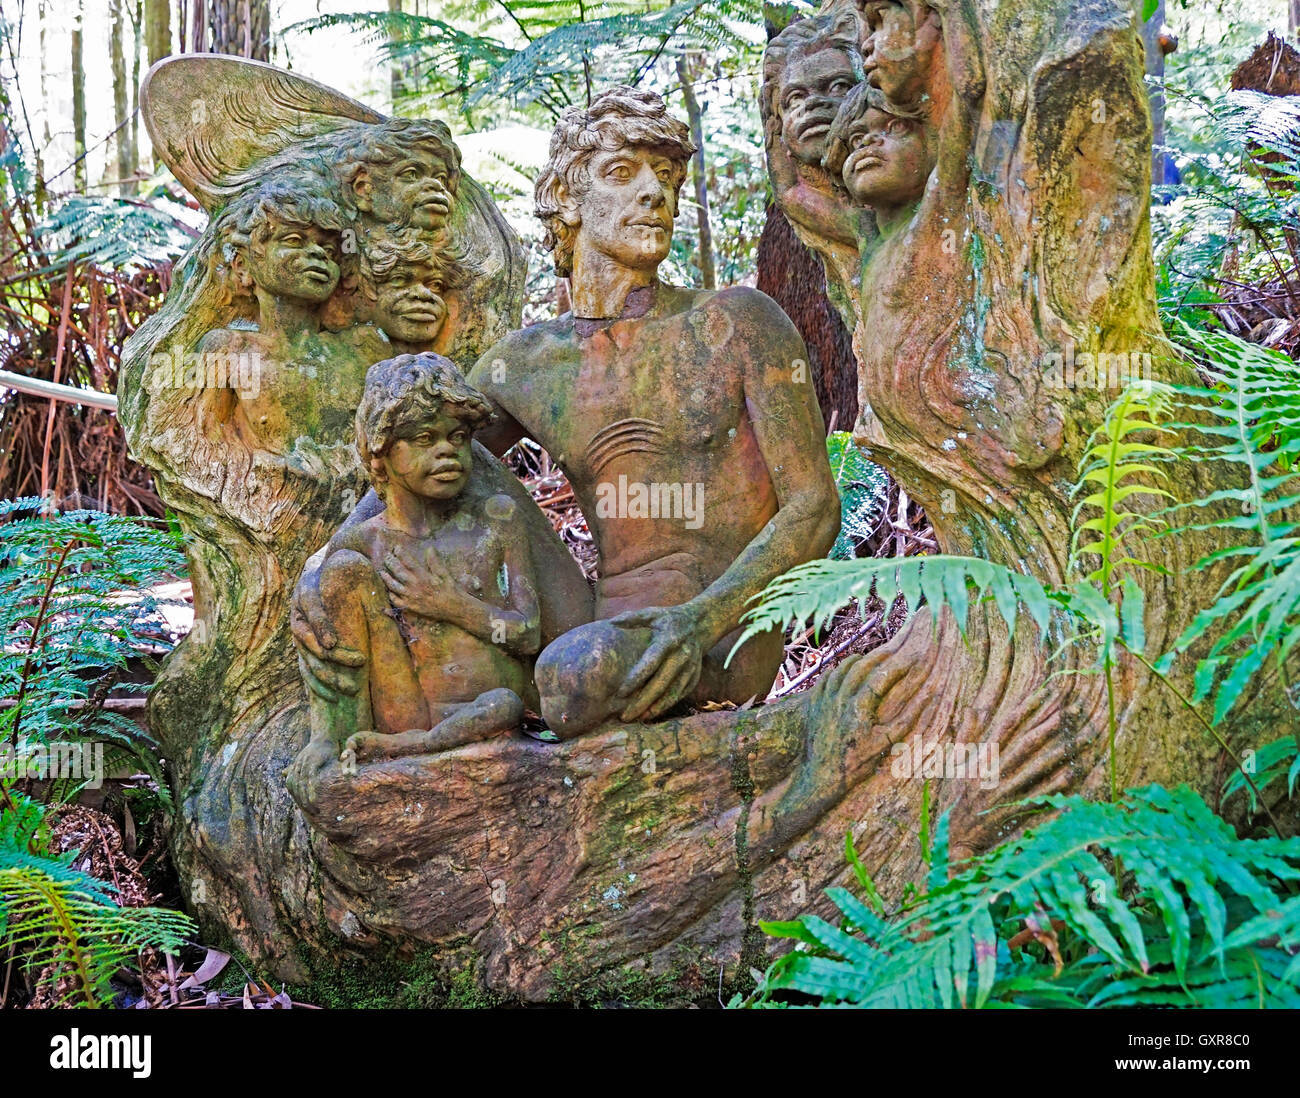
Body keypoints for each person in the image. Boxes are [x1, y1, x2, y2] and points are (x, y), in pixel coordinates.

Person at [294, 86, 840, 730]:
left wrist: (700, 623)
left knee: (571, 675)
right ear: (568, 200)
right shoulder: (526, 362)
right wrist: (325, 571)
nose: (654, 194)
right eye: (622, 173)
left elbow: (815, 507)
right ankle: (376, 747)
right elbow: (401, 459)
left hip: (710, 637)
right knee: (453, 450)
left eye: (666, 177)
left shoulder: (738, 322)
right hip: (586, 628)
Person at [305, 352, 540, 762]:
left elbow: (527, 633)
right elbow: (335, 660)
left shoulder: (496, 518)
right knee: (343, 573)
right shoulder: (364, 544)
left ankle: (422, 746)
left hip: (490, 710)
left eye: (459, 437)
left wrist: (450, 604)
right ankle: (357, 738)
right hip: (407, 710)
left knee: (504, 702)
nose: (447, 452)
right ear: (380, 452)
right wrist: (324, 738)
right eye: (424, 439)